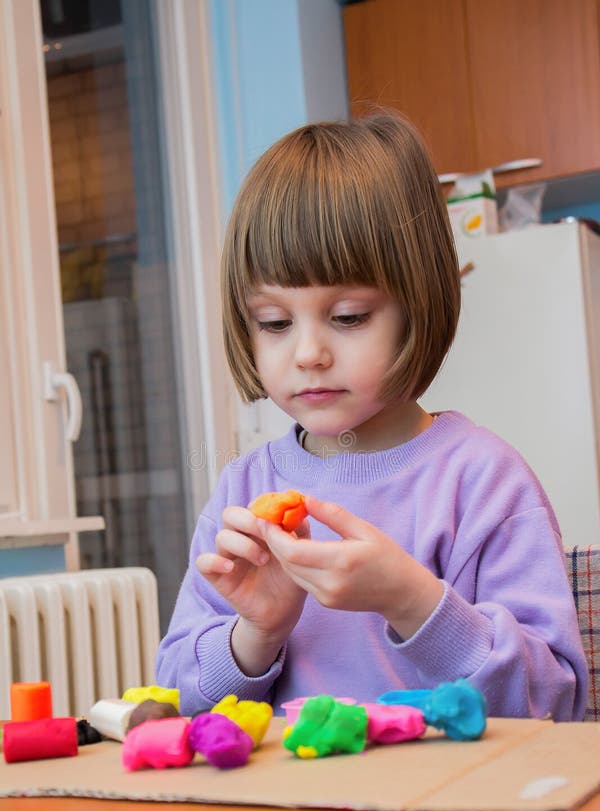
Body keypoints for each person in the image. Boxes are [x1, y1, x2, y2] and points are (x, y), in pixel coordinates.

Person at [156, 112, 588, 722]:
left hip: (451, 809)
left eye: (350, 316)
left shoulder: (483, 480)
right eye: (275, 323)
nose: (307, 353)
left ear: (417, 304)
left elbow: (556, 708)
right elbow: (176, 702)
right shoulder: (243, 490)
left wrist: (412, 601)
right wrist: (257, 633)